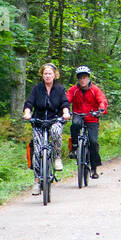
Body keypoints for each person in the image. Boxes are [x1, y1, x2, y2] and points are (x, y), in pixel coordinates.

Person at [24, 62, 71, 195]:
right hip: (38, 121)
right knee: (38, 152)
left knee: (56, 132)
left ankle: (56, 157)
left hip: (54, 119)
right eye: (45, 73)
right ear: (42, 75)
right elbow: (29, 103)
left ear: (55, 75)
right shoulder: (37, 89)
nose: (48, 76)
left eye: (50, 73)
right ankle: (37, 182)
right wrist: (27, 113)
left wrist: (66, 113)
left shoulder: (60, 89)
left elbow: (64, 103)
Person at [67, 66, 108, 179]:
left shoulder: (95, 90)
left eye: (84, 77)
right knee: (75, 125)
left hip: (92, 117)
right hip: (78, 115)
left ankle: (94, 169)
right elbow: (66, 99)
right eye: (80, 78)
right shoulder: (74, 90)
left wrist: (101, 109)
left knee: (93, 142)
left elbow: (102, 100)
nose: (82, 80)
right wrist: (64, 109)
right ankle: (74, 147)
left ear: (89, 78)